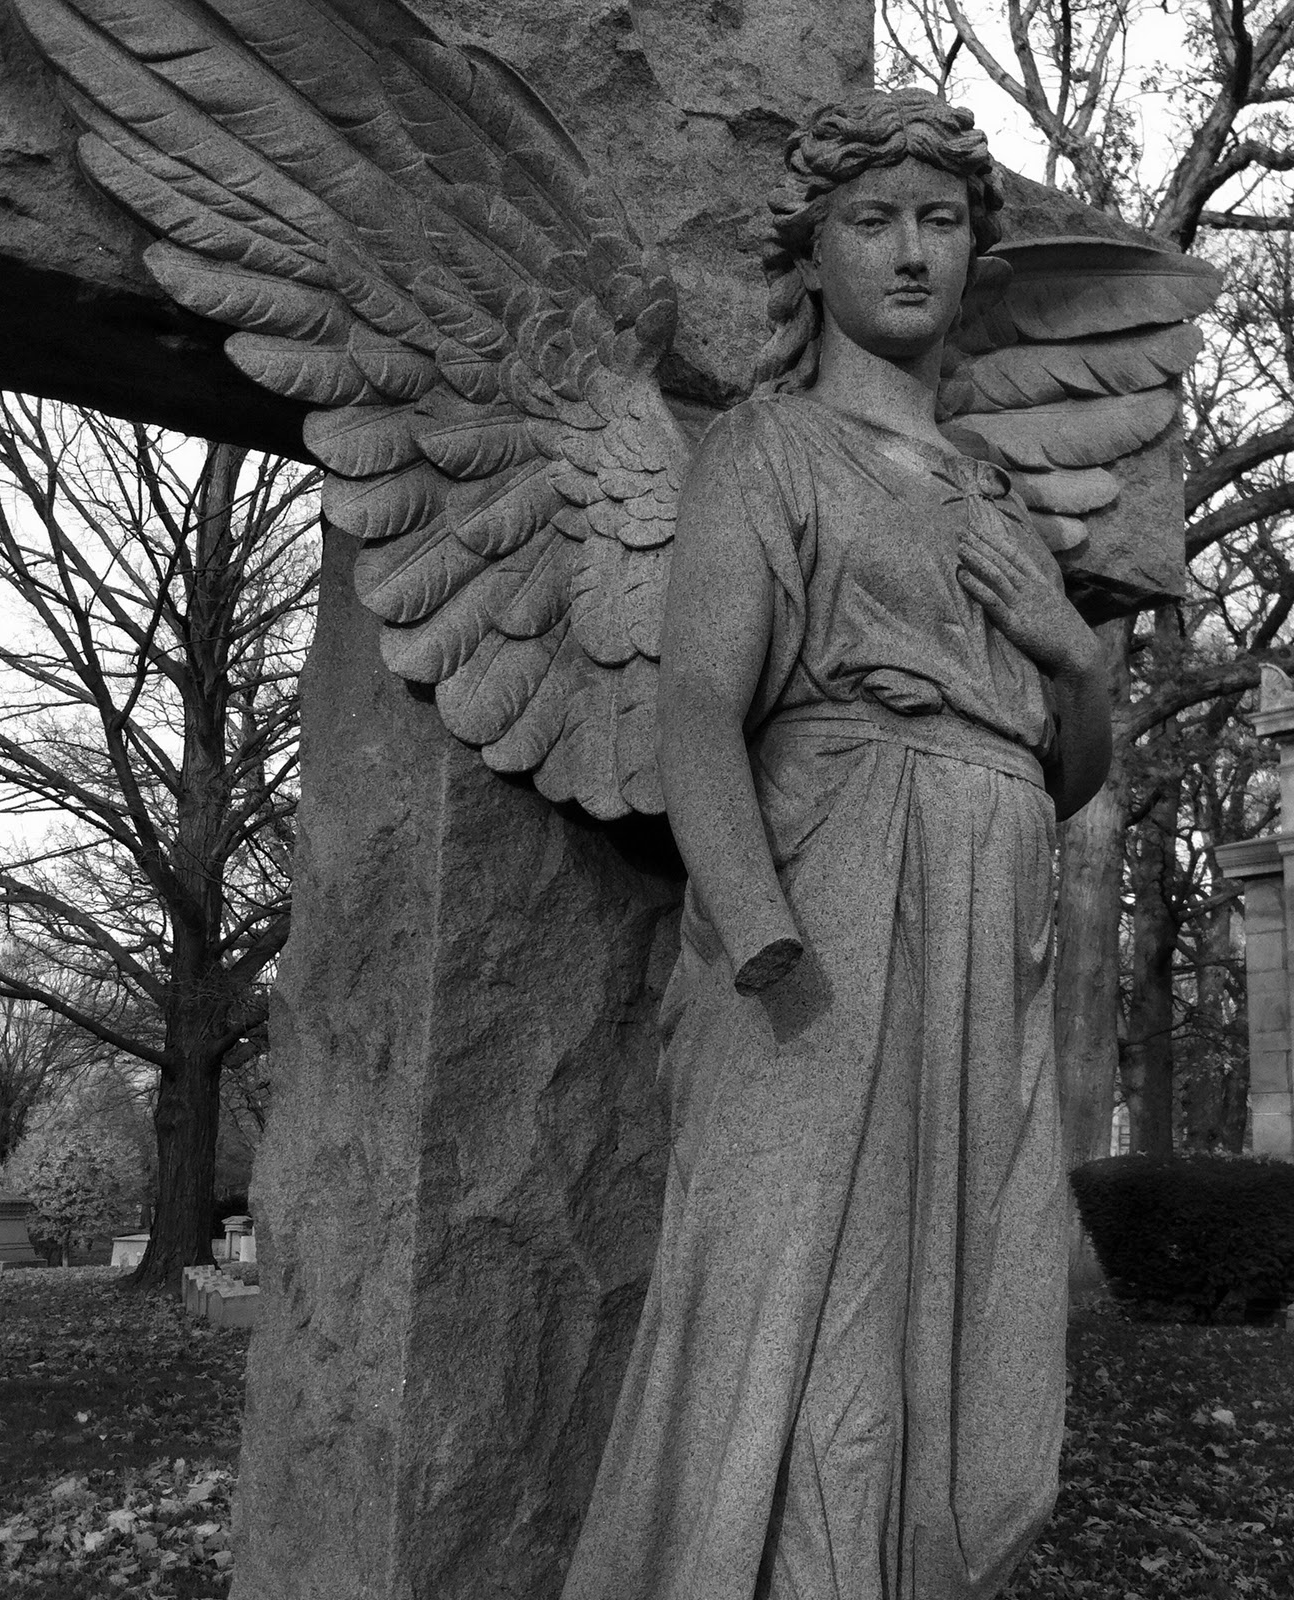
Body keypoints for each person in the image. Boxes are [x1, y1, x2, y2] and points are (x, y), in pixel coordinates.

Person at [560, 89, 1112, 1600]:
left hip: (990, 923)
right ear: (812, 256)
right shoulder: (769, 449)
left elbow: (1068, 771)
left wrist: (1069, 647)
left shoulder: (993, 490)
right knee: (811, 1307)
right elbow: (696, 714)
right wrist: (765, 934)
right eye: (873, 222)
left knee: (972, 1298)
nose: (912, 251)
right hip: (836, 904)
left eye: (940, 220)